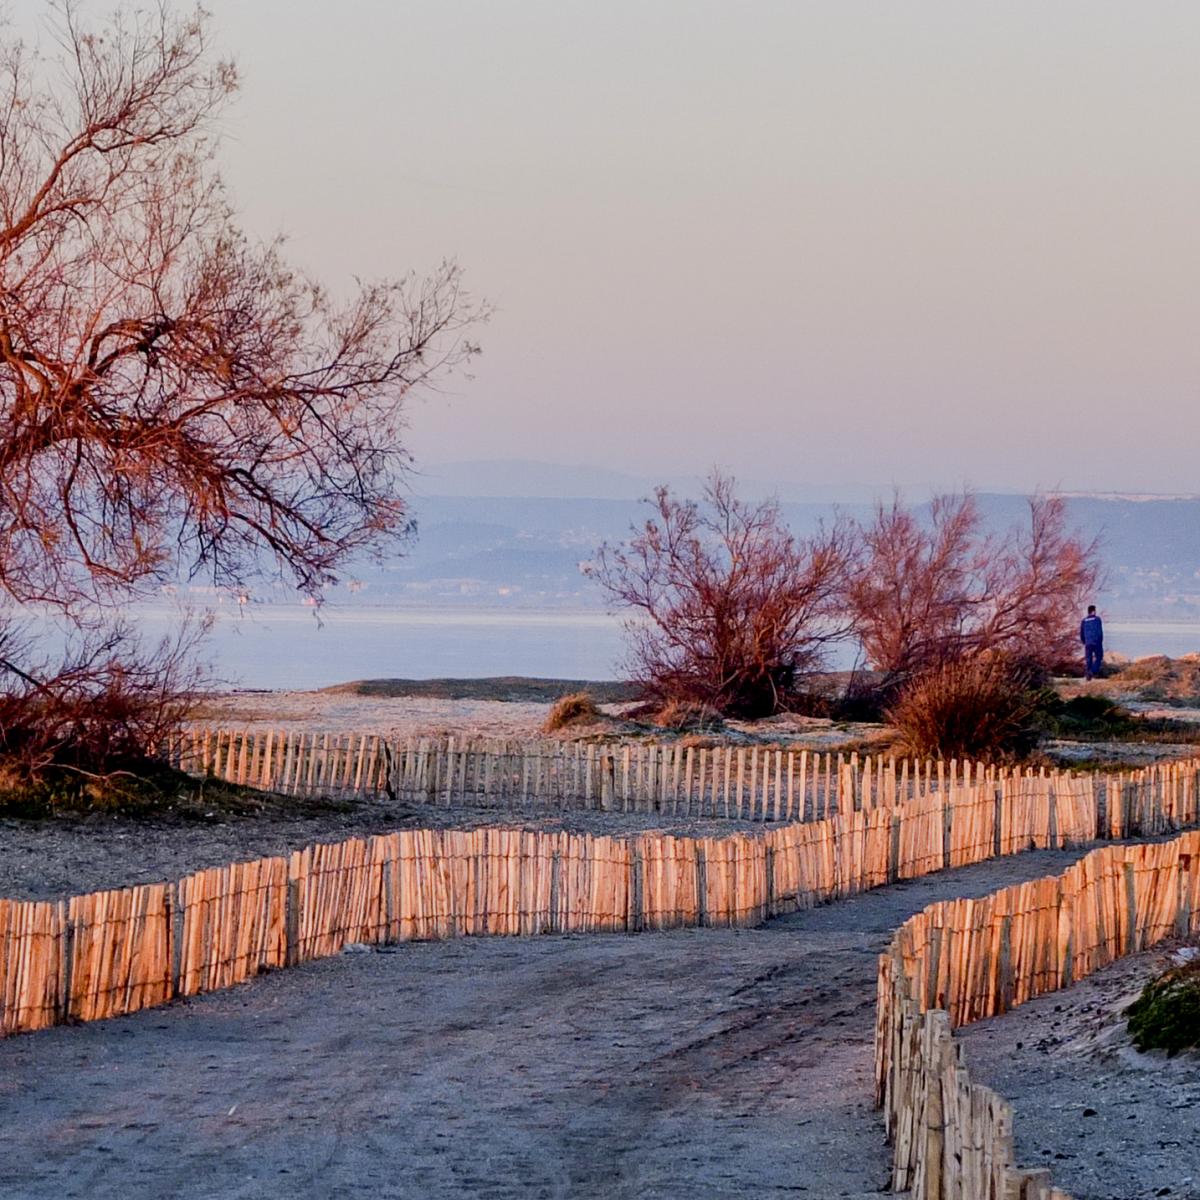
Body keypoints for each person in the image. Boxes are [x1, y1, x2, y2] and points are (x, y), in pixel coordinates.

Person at [1080, 605, 1104, 680]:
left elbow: (1081, 633)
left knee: (1088, 659)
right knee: (1099, 656)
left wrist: (1084, 641)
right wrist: (1100, 641)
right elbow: (1100, 631)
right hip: (1096, 642)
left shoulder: (1084, 620)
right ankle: (1093, 671)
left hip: (1088, 642)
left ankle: (1088, 674)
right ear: (1093, 611)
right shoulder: (1097, 619)